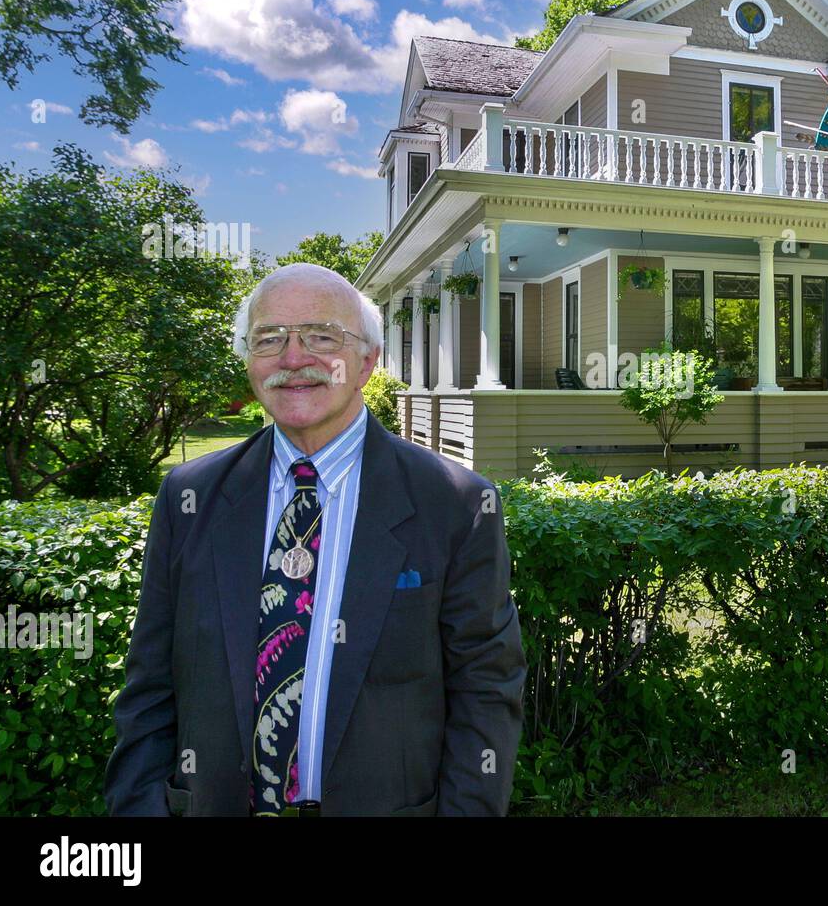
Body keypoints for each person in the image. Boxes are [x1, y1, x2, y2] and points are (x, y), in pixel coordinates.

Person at [104, 263, 526, 816]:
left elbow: (486, 690)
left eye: (322, 336)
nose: (293, 357)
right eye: (269, 338)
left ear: (367, 362)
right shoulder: (190, 498)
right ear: (249, 360)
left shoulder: (455, 504)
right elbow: (150, 685)